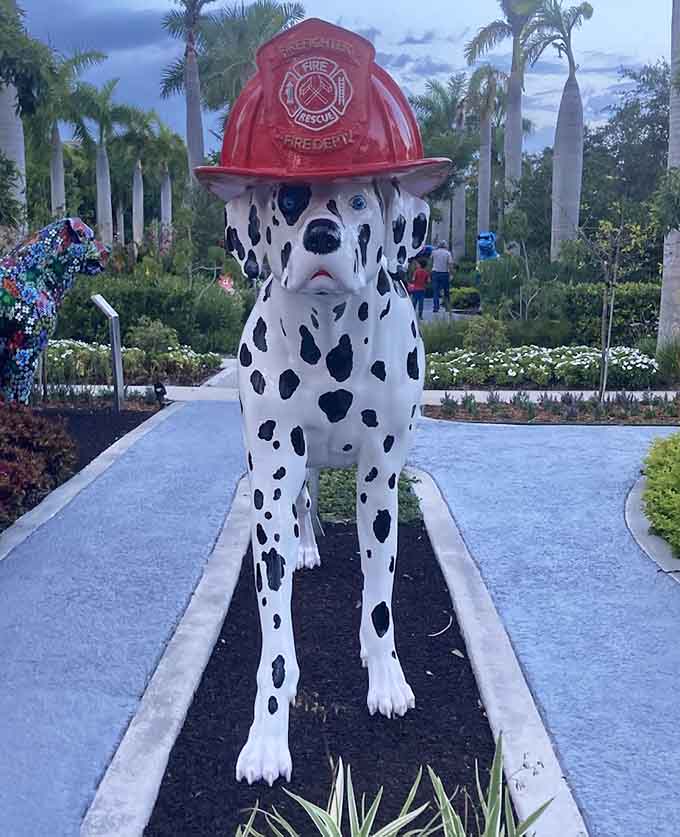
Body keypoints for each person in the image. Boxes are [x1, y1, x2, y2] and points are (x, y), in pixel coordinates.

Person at [431, 240, 453, 313]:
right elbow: (450, 264)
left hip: (435, 273)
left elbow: (431, 260)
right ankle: (447, 307)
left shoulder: (434, 252)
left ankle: (436, 307)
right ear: (445, 245)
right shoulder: (448, 253)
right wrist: (451, 274)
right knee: (446, 291)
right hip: (444, 273)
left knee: (435, 291)